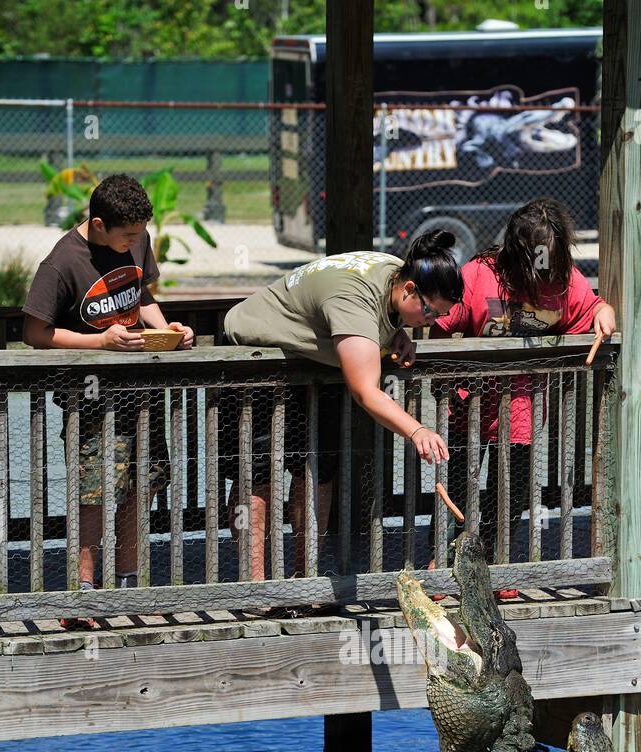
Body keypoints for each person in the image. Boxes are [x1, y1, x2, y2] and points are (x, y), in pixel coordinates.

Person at [222, 232, 463, 578]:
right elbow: (366, 391)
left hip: (314, 364)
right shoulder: (353, 299)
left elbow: (380, 318)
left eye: (439, 315)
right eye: (429, 311)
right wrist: (417, 429)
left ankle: (306, 579)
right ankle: (257, 586)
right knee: (257, 475)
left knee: (319, 470)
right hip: (256, 356)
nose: (432, 321)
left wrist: (398, 331)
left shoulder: (397, 272)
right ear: (408, 289)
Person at [429, 197, 616, 593]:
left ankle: (498, 568)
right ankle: (445, 565)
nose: (540, 271)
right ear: (515, 251)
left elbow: (590, 307)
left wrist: (604, 310)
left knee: (509, 495)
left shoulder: (565, 281)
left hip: (522, 414)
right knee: (458, 489)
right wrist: (442, 375)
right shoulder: (479, 274)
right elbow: (444, 323)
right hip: (468, 407)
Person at [23, 173, 194, 590]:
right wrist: (99, 341)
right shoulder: (62, 261)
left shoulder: (136, 239)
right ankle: (84, 589)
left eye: (141, 233)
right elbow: (34, 333)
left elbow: (141, 293)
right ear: (98, 225)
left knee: (145, 485)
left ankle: (127, 581)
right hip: (92, 401)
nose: (136, 240)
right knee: (93, 495)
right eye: (128, 234)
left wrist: (167, 327)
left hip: (141, 393)